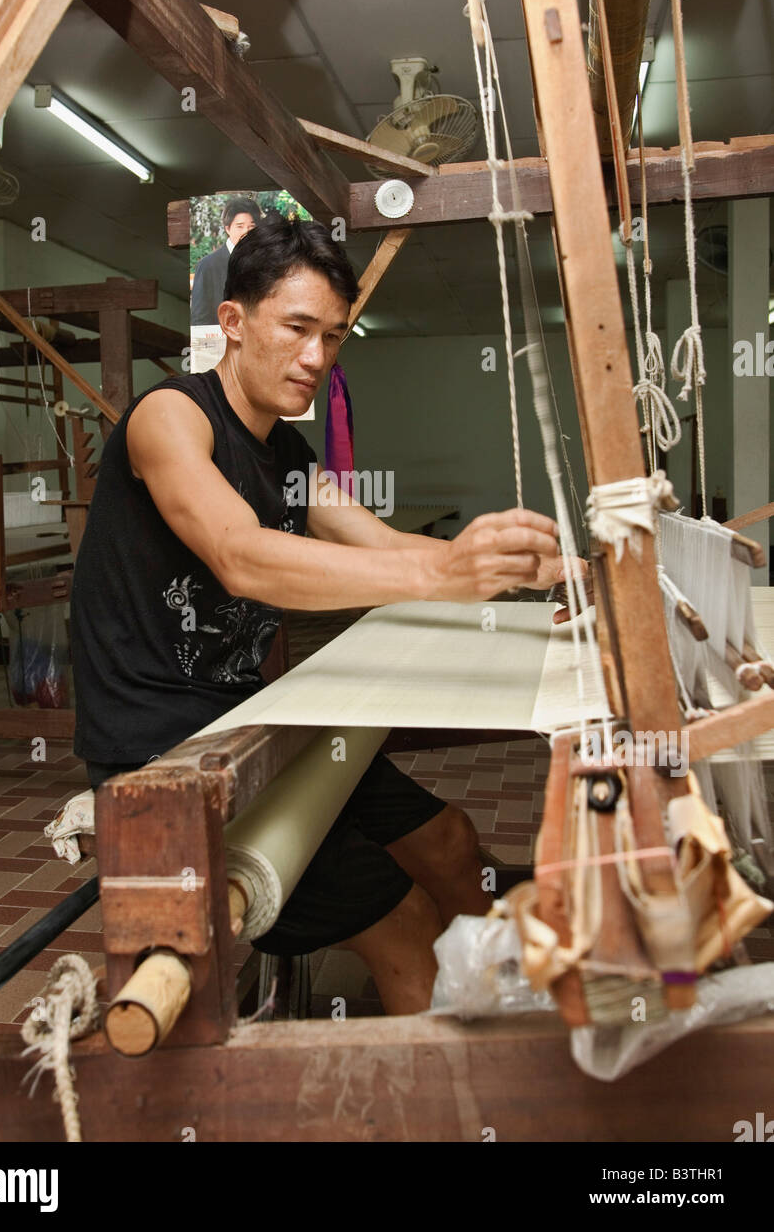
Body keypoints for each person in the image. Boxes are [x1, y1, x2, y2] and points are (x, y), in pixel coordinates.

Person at [70, 213, 577, 1014]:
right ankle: (461, 1100)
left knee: (449, 844)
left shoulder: (287, 455)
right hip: (161, 749)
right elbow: (239, 556)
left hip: (257, 722)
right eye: (296, 328)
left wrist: (521, 569)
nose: (314, 358)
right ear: (232, 323)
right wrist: (444, 569)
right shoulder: (169, 417)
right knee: (403, 925)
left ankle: (499, 999)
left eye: (333, 337)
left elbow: (374, 541)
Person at [189, 196, 262, 327]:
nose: (246, 231)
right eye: (240, 226)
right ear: (227, 229)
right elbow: (199, 318)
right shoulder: (207, 266)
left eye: (251, 227)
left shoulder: (264, 262)